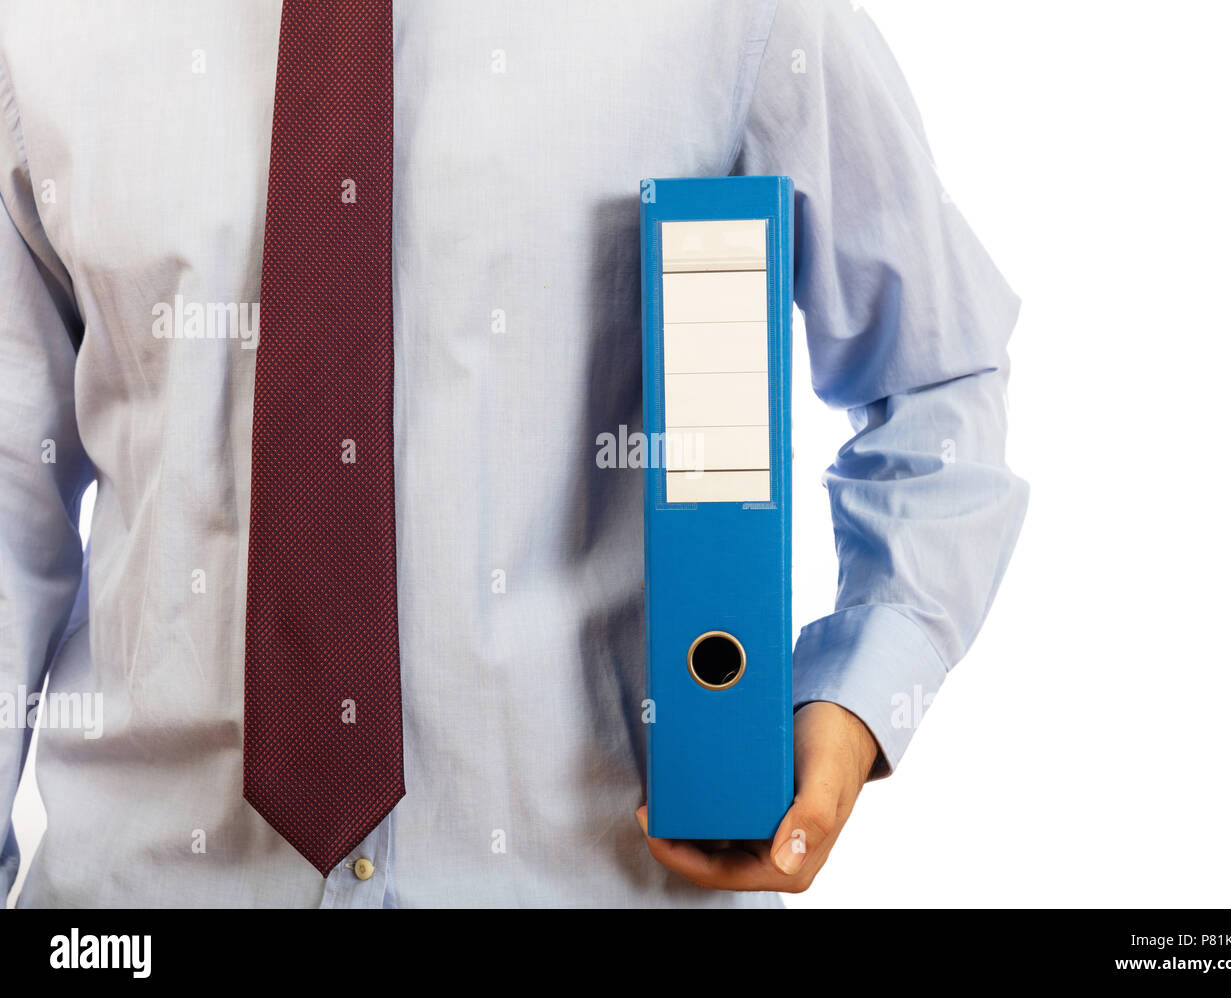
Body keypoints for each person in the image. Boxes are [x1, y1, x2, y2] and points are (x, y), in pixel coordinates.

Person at [0, 0, 1026, 908]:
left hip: (599, 877)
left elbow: (934, 374)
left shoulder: (732, 15)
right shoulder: (44, 26)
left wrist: (855, 688)